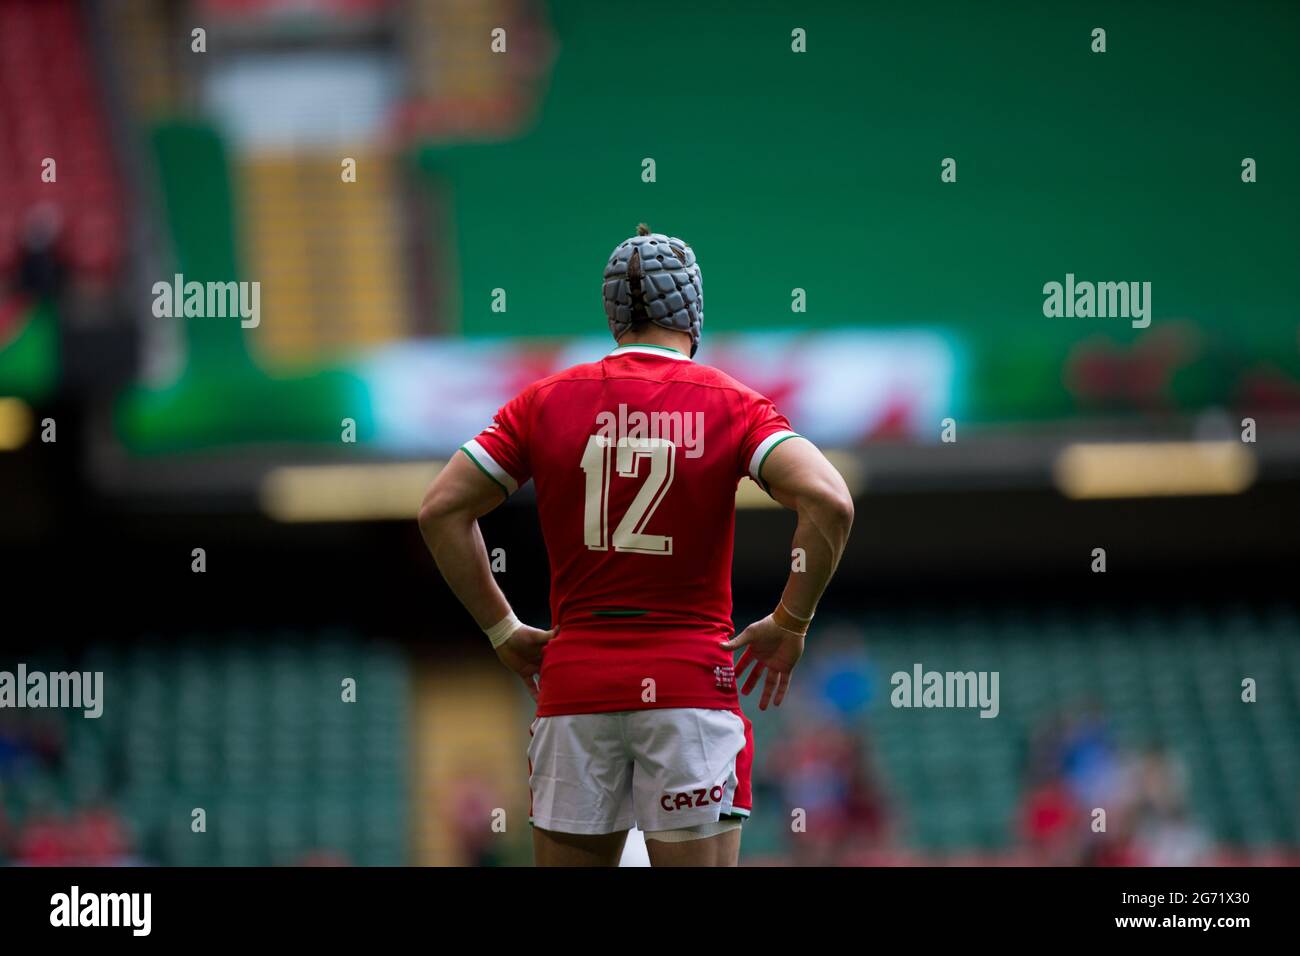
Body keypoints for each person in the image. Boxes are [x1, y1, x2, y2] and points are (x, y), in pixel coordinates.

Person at [419, 225, 854, 866]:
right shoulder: (733, 404)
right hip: (690, 691)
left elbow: (441, 509)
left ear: (614, 316)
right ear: (694, 311)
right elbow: (831, 500)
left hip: (576, 689)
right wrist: (791, 621)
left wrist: (503, 630)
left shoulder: (544, 401)